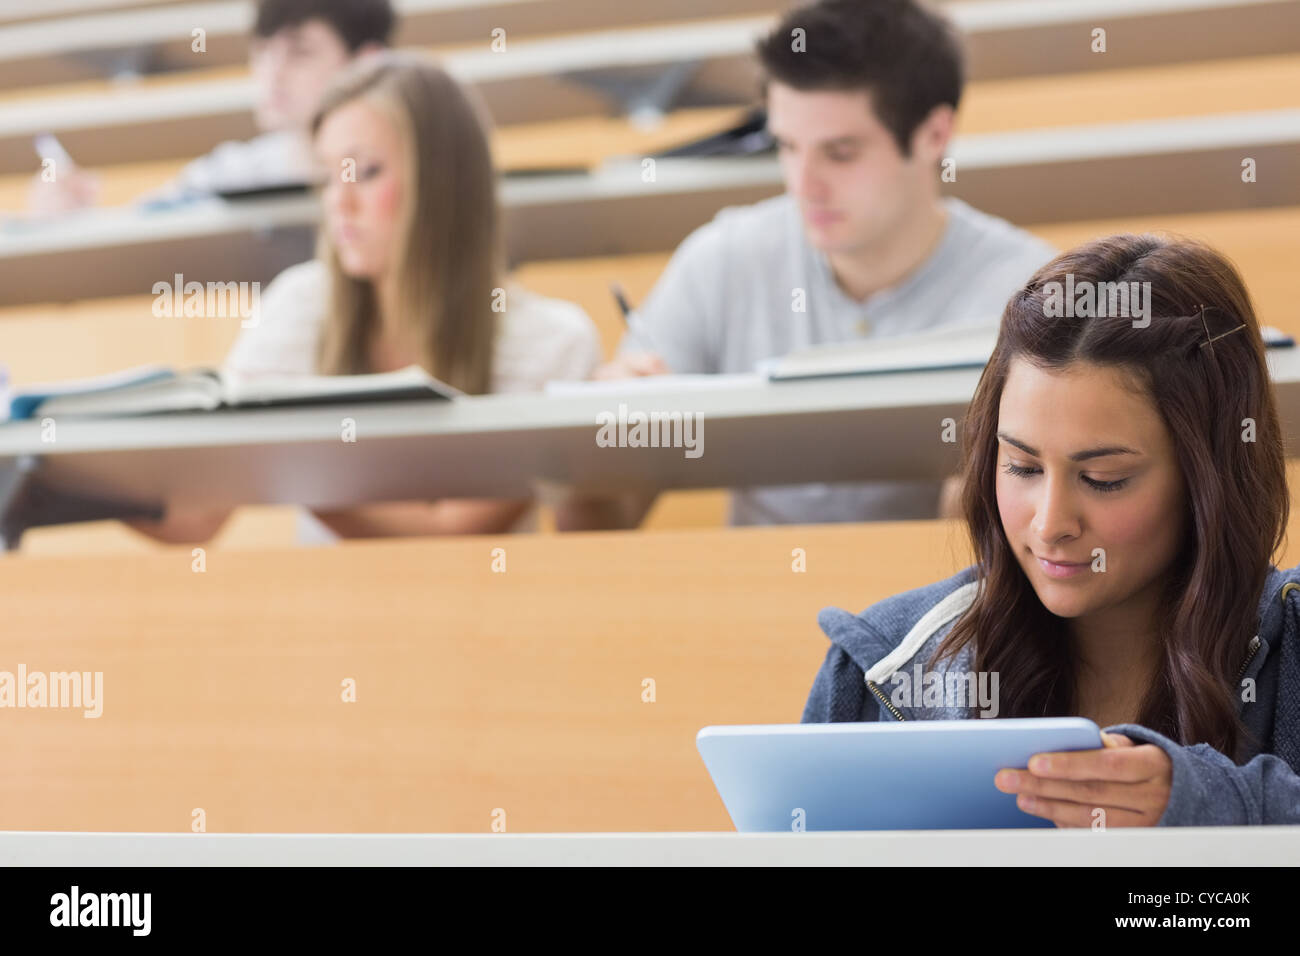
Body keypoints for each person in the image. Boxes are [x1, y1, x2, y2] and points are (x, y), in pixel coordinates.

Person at [802, 233, 1300, 826]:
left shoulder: (1289, 648)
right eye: (1022, 467)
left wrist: (1209, 805)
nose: (1049, 523)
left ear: (1209, 477)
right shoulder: (879, 668)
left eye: (1104, 478)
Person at [563, 0, 1056, 531]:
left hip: (938, 609)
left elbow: (1006, 560)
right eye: (788, 147)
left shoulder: (1028, 293)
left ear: (934, 136)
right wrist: (601, 446)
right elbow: (599, 526)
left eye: (840, 152)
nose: (804, 184)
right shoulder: (723, 258)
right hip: (753, 599)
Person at [126, 52, 601, 543]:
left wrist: (280, 460)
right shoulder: (299, 303)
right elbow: (197, 516)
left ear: (444, 182)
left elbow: (446, 536)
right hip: (327, 614)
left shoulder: (551, 341)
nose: (340, 201)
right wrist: (82, 475)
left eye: (367, 171)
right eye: (331, 174)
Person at [29, 0, 395, 213]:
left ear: (367, 61)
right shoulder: (234, 171)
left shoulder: (406, 168)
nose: (273, 73)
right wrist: (69, 212)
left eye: (300, 53)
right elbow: (145, 220)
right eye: (263, 51)